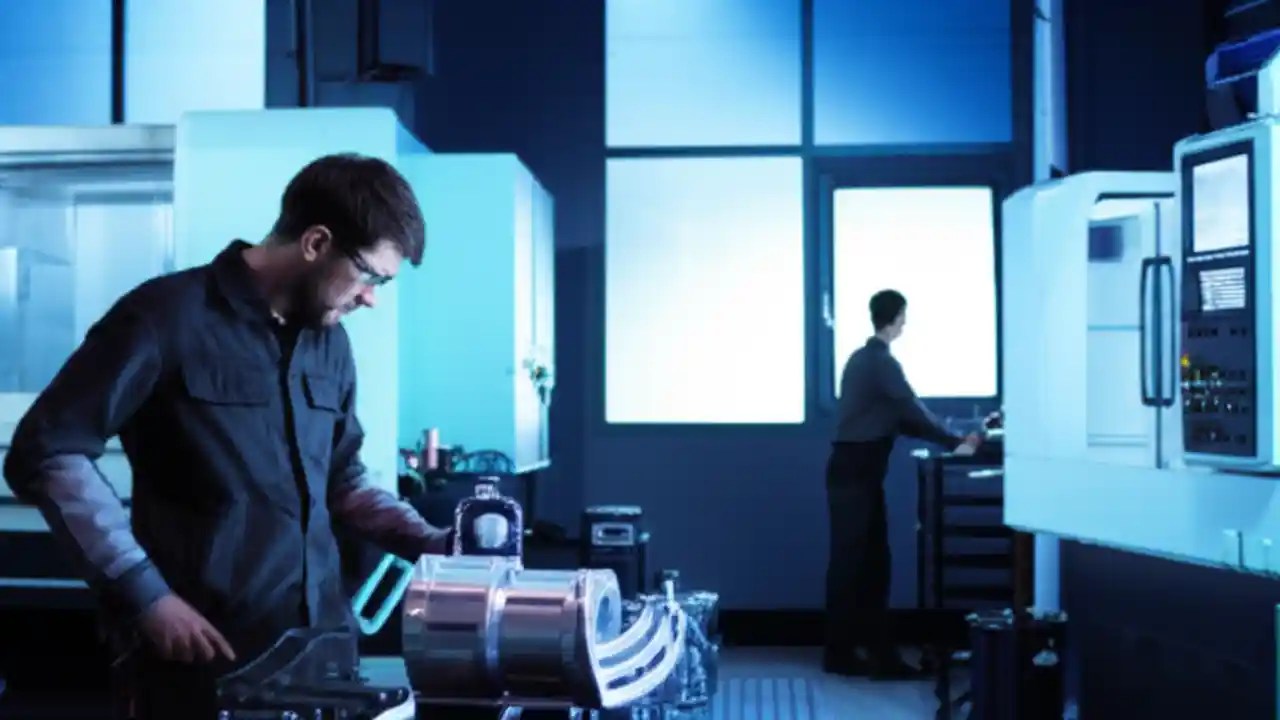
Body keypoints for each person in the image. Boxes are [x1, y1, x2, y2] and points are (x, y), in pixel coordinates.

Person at [2, 154, 452, 718]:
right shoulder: (166, 317)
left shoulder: (329, 342)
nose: (371, 298)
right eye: (370, 275)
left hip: (322, 660)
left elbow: (342, 480)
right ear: (315, 243)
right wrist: (147, 596)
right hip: (202, 665)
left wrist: (430, 541)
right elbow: (48, 450)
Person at [823, 289, 980, 680]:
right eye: (904, 317)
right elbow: (912, 412)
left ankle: (865, 653)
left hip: (854, 472)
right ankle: (855, 655)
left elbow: (905, 419)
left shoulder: (864, 360)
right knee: (859, 565)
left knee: (866, 564)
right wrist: (957, 441)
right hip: (856, 473)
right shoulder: (880, 362)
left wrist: (953, 439)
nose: (905, 323)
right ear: (896, 318)